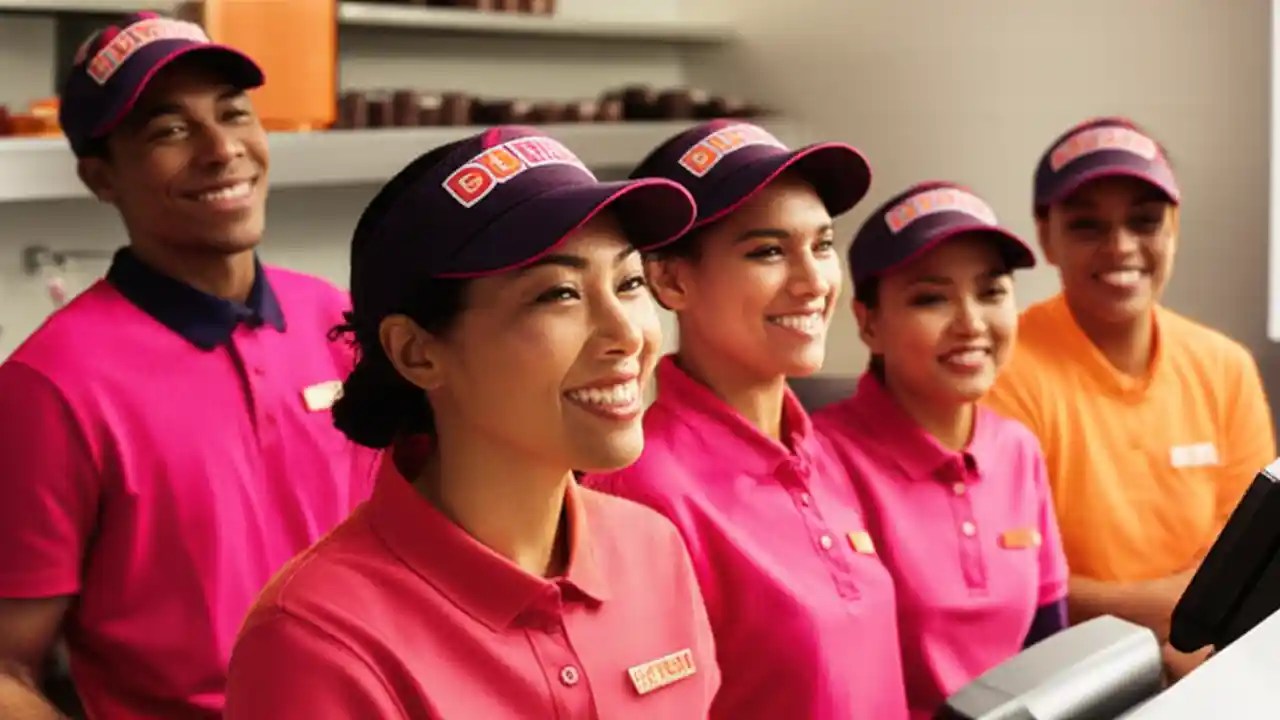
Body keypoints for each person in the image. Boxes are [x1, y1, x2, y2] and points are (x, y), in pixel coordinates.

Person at [223, 126, 721, 719]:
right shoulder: (318, 641)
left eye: (629, 282)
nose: (627, 335)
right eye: (558, 294)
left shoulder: (653, 549)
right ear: (417, 352)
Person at [0, 12, 380, 719]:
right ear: (99, 176)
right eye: (169, 130)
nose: (220, 149)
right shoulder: (49, 386)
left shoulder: (337, 319)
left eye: (234, 115)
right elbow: (6, 667)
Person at [584, 120, 910, 719]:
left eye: (822, 244)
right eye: (768, 251)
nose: (813, 282)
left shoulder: (819, 450)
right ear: (670, 279)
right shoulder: (637, 491)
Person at [984, 116, 1277, 680]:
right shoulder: (1001, 371)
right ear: (1046, 236)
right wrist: (1183, 616)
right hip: (1059, 673)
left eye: (1144, 222)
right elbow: (1014, 587)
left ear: (1174, 228)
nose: (1121, 248)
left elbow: (1251, 555)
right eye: (1088, 226)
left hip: (1206, 662)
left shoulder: (1225, 367)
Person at [812, 181, 1069, 718]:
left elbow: (1050, 646)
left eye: (991, 291)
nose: (971, 324)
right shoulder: (820, 463)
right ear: (868, 323)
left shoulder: (1018, 449)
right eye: (931, 298)